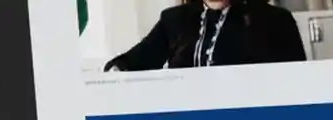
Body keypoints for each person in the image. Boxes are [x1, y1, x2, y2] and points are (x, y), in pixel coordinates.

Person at [105, 0, 307, 72]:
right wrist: (116, 70)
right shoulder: (175, 19)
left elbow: (297, 82)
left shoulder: (275, 20)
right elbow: (136, 61)